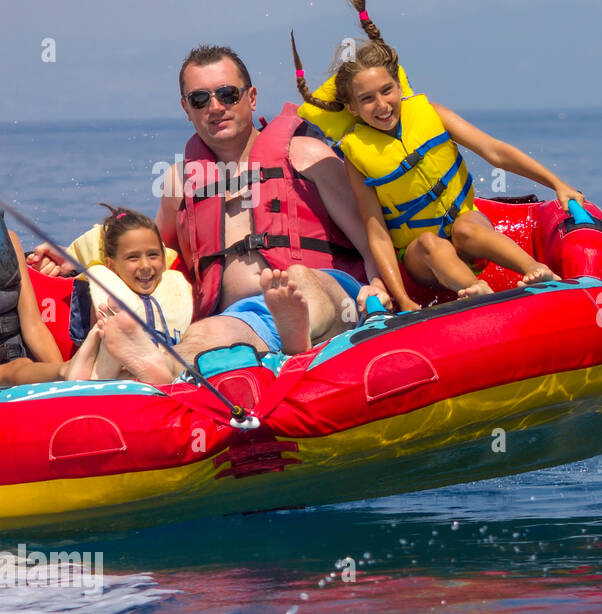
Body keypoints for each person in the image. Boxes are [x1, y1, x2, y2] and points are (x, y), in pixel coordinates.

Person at [96, 45, 391, 386]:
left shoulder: (306, 155)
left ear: (251, 97)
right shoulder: (180, 182)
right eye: (200, 99)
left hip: (332, 296)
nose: (215, 107)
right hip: (245, 318)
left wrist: (380, 288)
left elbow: (371, 240)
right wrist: (78, 260)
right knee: (201, 334)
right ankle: (164, 368)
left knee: (298, 279)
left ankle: (297, 330)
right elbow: (151, 250)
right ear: (186, 110)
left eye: (227, 94)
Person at [291, 0, 582, 310]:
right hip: (422, 260)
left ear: (399, 86)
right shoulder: (358, 155)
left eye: (387, 91)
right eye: (367, 100)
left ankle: (535, 269)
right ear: (352, 109)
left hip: (469, 232)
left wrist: (557, 184)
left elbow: (495, 151)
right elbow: (378, 233)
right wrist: (402, 299)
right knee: (430, 242)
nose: (381, 105)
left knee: (466, 227)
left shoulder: (433, 114)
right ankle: (475, 290)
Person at [63, 206, 192, 380]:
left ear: (164, 257)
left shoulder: (175, 286)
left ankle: (156, 369)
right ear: (111, 264)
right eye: (133, 257)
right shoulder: (108, 294)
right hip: (117, 369)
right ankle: (89, 375)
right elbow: (96, 341)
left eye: (153, 255)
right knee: (108, 325)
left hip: (162, 361)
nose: (145, 265)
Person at [0, 207, 66, 385]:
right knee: (15, 369)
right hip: (12, 370)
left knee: (21, 365)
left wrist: (64, 376)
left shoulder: (9, 242)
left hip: (19, 361)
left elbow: (34, 326)